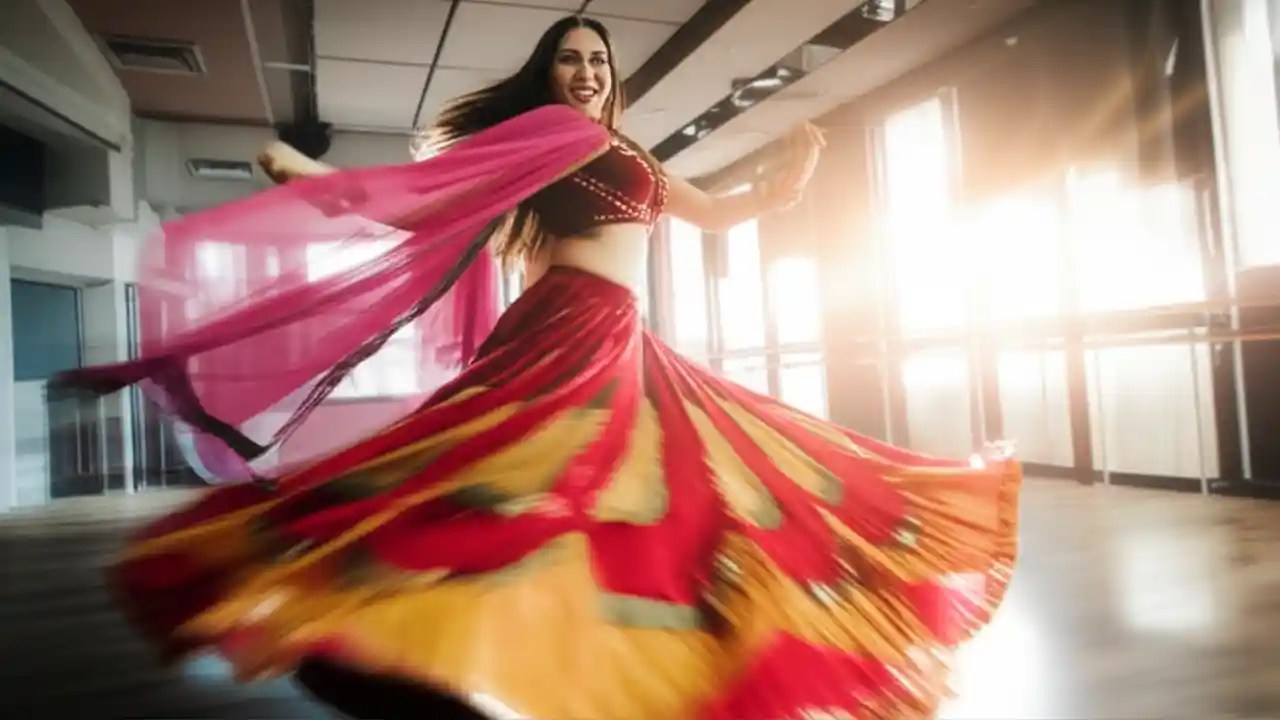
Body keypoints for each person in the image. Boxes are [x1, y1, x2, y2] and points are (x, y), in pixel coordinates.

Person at [59, 14, 1020, 720]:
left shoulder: (620, 144)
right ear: (548, 72)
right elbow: (431, 200)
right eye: (572, 56)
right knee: (527, 478)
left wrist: (789, 181)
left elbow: (720, 212)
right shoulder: (551, 137)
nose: (589, 69)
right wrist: (316, 181)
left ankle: (585, 652)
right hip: (570, 324)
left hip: (620, 329)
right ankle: (374, 622)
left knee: (675, 486)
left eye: (600, 59)